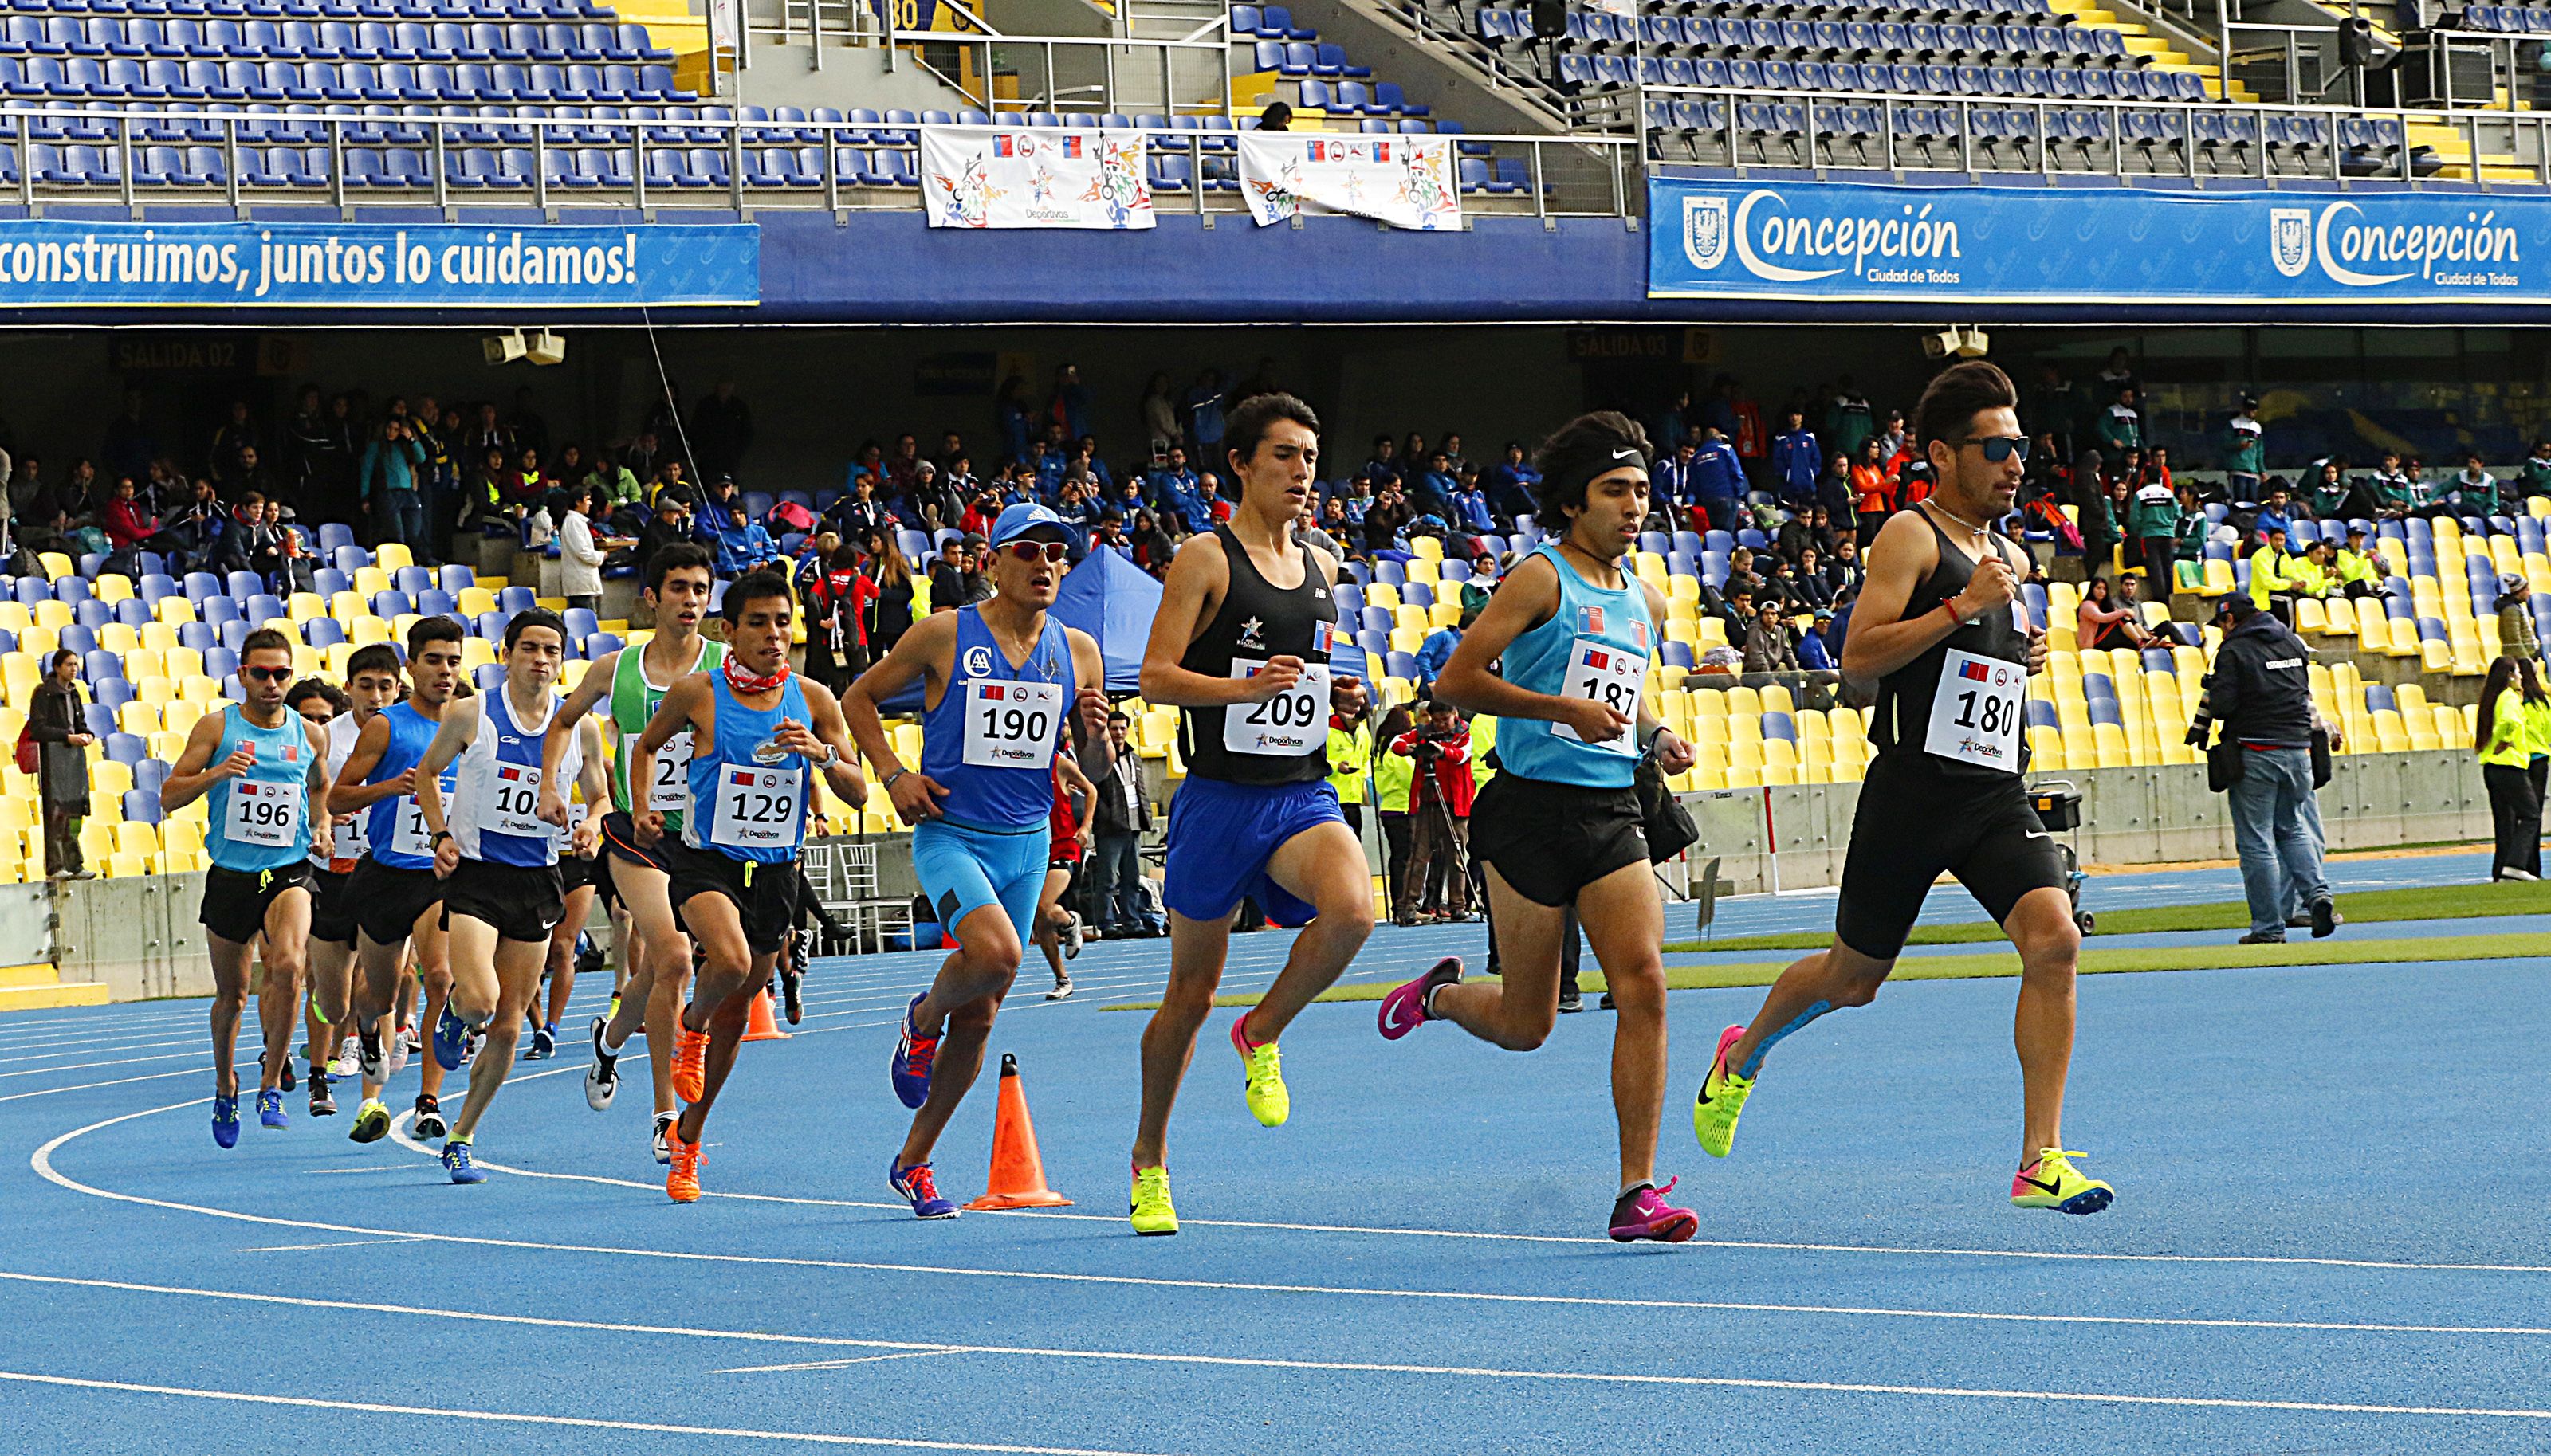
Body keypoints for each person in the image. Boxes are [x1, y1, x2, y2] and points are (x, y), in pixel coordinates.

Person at [1688, 361, 2115, 1216]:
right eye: (1995, 448)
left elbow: (1966, 666)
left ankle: (2039, 1158)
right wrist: (1962, 610)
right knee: (1852, 980)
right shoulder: (1910, 538)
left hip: (1994, 789)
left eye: (2020, 447)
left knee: (2055, 941)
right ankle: (1741, 1054)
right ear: (1939, 454)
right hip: (1914, 793)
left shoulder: (2006, 552)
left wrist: (2010, 651)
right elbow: (1858, 660)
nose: (2015, 464)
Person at [1377, 410, 1701, 1242]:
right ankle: (1443, 997)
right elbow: (1454, 678)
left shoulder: (1645, 599)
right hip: (1525, 815)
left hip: (1612, 815)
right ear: (1572, 502)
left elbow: (1623, 697)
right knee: (1528, 1026)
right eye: (1613, 492)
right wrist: (1559, 708)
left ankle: (1636, 1192)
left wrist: (1652, 733)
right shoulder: (1537, 580)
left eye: (1639, 491)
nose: (1633, 507)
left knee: (1645, 986)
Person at [1125, 393, 1372, 1236]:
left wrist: (1337, 693)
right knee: (1188, 995)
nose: (1302, 474)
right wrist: (1241, 689)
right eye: (1283, 457)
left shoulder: (1326, 564)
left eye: (1308, 458)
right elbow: (1154, 677)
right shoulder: (1204, 558)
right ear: (1239, 463)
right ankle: (1148, 1161)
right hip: (1219, 800)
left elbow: (1305, 674)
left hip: (1300, 792)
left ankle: (1261, 1029)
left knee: (1354, 912)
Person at [629, 571, 868, 1203]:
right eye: (758, 623)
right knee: (729, 961)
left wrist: (819, 752)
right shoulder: (697, 693)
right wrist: (643, 806)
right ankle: (692, 1024)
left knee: (743, 1007)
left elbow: (858, 787)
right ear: (728, 631)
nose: (774, 634)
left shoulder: (815, 697)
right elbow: (645, 748)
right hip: (707, 861)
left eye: (783, 621)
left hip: (776, 871)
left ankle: (690, 1140)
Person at [409, 610, 611, 1184]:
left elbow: (600, 795)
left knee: (509, 1026)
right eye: (529, 648)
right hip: (477, 876)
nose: (540, 660)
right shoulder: (473, 713)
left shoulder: (582, 727)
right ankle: (453, 1014)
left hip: (538, 880)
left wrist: (592, 821)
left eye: (551, 649)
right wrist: (441, 833)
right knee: (478, 999)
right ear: (506, 653)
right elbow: (427, 774)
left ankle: (462, 1136)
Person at [539, 544, 723, 1166]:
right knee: (673, 956)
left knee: (664, 971)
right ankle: (665, 1114)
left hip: (706, 840)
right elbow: (562, 722)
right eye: (678, 588)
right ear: (652, 596)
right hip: (634, 835)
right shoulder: (615, 670)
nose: (691, 600)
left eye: (700, 588)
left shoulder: (726, 665)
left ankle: (610, 1039)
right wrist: (548, 783)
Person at [161, 627, 335, 1148]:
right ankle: (225, 1082)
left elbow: (320, 784)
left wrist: (322, 824)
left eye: (282, 673)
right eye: (261, 672)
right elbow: (169, 796)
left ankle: (271, 1084)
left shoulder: (309, 733)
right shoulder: (218, 727)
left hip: (289, 870)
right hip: (232, 876)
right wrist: (217, 774)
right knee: (233, 997)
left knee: (287, 964)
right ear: (242, 675)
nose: (272, 682)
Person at [328, 617, 466, 1145]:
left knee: (441, 977)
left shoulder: (469, 724)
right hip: (387, 874)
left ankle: (429, 1101)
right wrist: (389, 787)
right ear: (411, 667)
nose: (445, 671)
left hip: (441, 875)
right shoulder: (387, 726)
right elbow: (338, 799)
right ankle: (366, 1031)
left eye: (454, 661)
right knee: (379, 996)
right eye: (433, 660)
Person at [2199, 595, 2341, 944]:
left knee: (2256, 841)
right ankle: (2317, 896)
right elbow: (2303, 694)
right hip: (2299, 748)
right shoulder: (2292, 641)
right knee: (2293, 830)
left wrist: (2214, 688)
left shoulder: (2234, 651)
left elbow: (2222, 704)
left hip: (2256, 749)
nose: (2220, 632)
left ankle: (2268, 928)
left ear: (2230, 619)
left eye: (2220, 624)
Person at [290, 659, 397, 1118]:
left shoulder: (412, 732)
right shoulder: (325, 737)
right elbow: (303, 793)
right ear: (349, 688)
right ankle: (321, 1066)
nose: (376, 697)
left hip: (386, 871)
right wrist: (323, 823)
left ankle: (371, 1100)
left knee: (383, 984)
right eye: (366, 686)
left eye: (385, 687)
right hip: (331, 873)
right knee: (332, 999)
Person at [1389, 697, 1475, 924]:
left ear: (1454, 713)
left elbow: (1462, 755)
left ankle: (1459, 906)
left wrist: (1441, 751)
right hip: (1427, 802)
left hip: (1455, 804)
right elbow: (1395, 742)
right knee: (1419, 857)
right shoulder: (1422, 732)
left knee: (1456, 856)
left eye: (1445, 720)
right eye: (1436, 721)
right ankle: (1407, 907)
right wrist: (1409, 748)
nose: (1441, 725)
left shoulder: (1465, 733)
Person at [26, 649, 94, 880]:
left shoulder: (75, 693)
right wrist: (67, 737)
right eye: (69, 665)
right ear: (57, 668)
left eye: (76, 664)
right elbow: (38, 729)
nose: (73, 669)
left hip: (74, 760)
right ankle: (56, 866)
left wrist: (87, 735)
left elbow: (81, 724)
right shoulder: (44, 693)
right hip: (54, 760)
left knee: (75, 813)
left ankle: (75, 863)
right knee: (56, 815)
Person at [2477, 655, 2542, 882]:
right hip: (2510, 766)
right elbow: (2510, 721)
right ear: (2509, 676)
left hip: (2492, 768)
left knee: (2504, 821)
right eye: (2517, 672)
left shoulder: (2491, 697)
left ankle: (2501, 871)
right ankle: (2515, 865)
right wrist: (2504, 738)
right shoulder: (2509, 697)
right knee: (2531, 815)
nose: (2522, 676)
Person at [1325, 675, 1374, 838]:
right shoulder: (1327, 729)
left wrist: (1364, 781)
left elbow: (1366, 759)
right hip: (1330, 798)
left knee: (1355, 841)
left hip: (1354, 799)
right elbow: (1314, 759)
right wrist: (1336, 766)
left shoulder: (1363, 732)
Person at [2076, 574, 2151, 651]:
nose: (2102, 591)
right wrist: (2124, 611)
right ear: (2092, 589)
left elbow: (2118, 613)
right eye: (2098, 588)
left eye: (2104, 589)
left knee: (2125, 622)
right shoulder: (2087, 605)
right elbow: (2102, 618)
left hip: (2103, 640)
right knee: (2121, 618)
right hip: (2091, 643)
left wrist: (2125, 613)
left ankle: (2147, 640)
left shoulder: (2104, 604)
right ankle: (2140, 641)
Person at [2223, 394, 2265, 501]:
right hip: (2237, 470)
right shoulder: (2233, 424)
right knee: (2239, 501)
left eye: (2254, 409)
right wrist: (2239, 445)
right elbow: (2224, 444)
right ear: (2244, 409)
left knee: (2252, 501)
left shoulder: (2257, 427)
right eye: (2250, 409)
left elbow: (2259, 451)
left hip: (2252, 471)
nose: (2252, 412)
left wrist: (2262, 471)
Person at [2498, 575, 2539, 662]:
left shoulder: (2518, 607)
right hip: (2517, 659)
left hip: (2524, 658)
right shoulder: (2510, 610)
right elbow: (2513, 639)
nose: (2529, 593)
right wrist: (2526, 660)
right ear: (2520, 591)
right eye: (2527, 590)